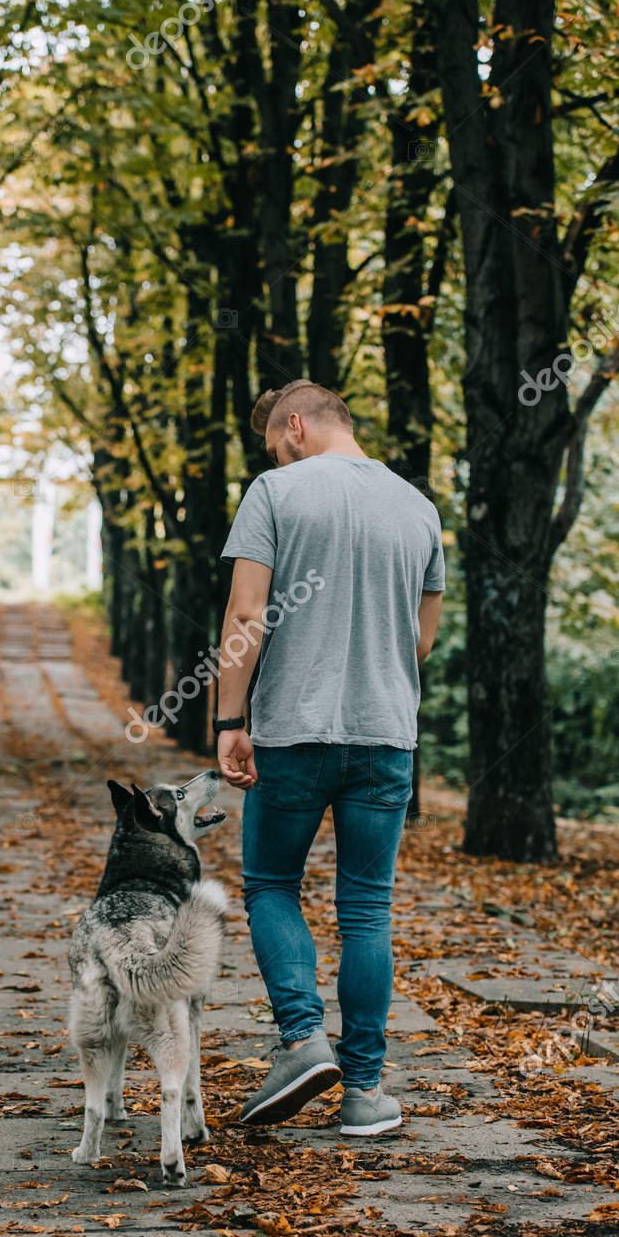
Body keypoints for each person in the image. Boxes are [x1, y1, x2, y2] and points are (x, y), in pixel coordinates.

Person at [214, 379, 443, 1137]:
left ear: (299, 427)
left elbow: (248, 615)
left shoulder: (276, 493)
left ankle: (304, 1039)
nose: (277, 456)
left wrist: (229, 717)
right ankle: (364, 1093)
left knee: (272, 882)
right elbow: (420, 641)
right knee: (367, 908)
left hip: (295, 730)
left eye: (278, 443)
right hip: (385, 736)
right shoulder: (418, 508)